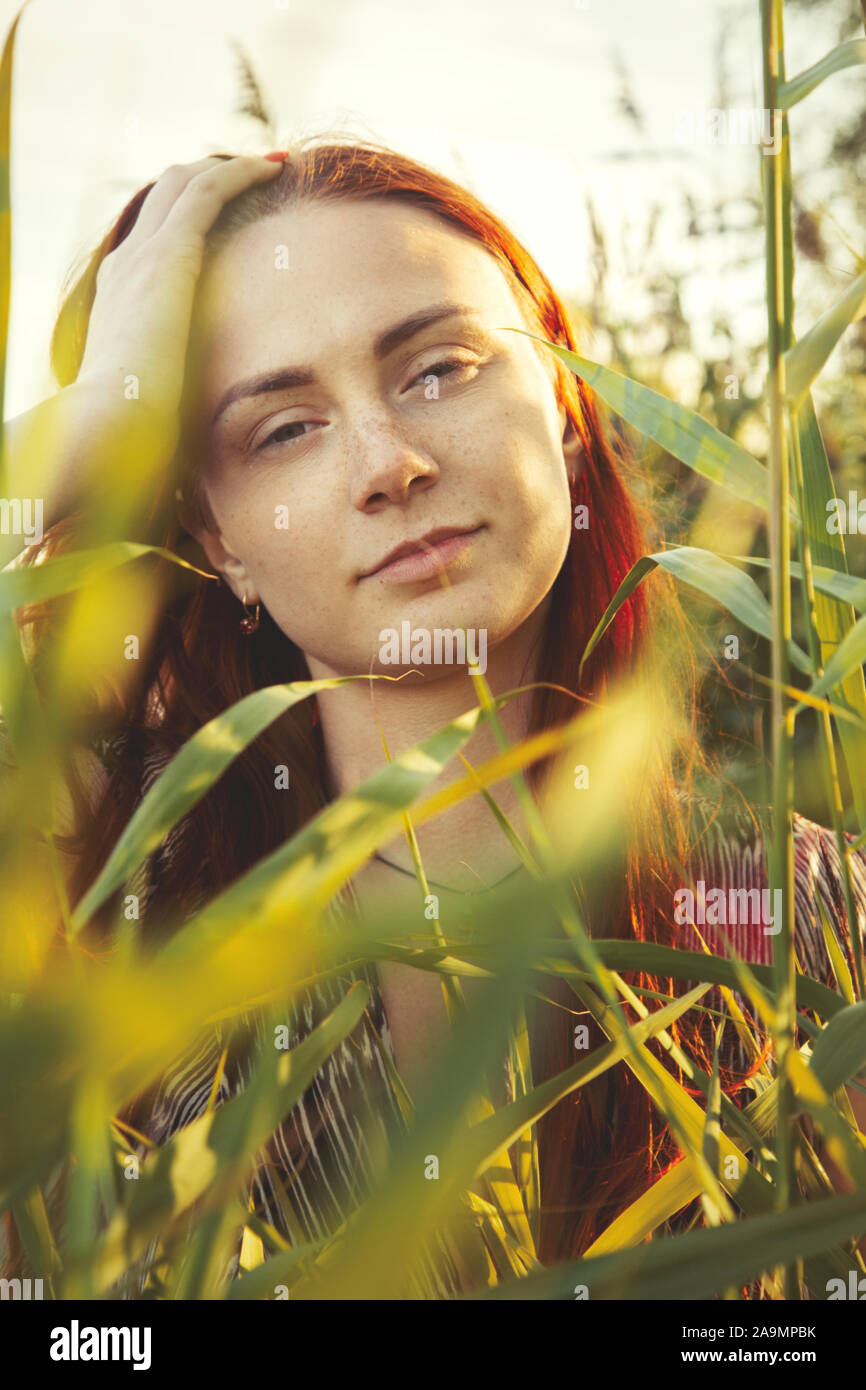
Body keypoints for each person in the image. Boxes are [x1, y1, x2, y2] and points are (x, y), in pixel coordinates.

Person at [2, 138, 865, 1298]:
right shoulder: (99, 928)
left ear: (564, 411)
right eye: (282, 428)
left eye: (437, 369)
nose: (387, 463)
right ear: (221, 545)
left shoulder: (813, 923)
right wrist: (100, 419)